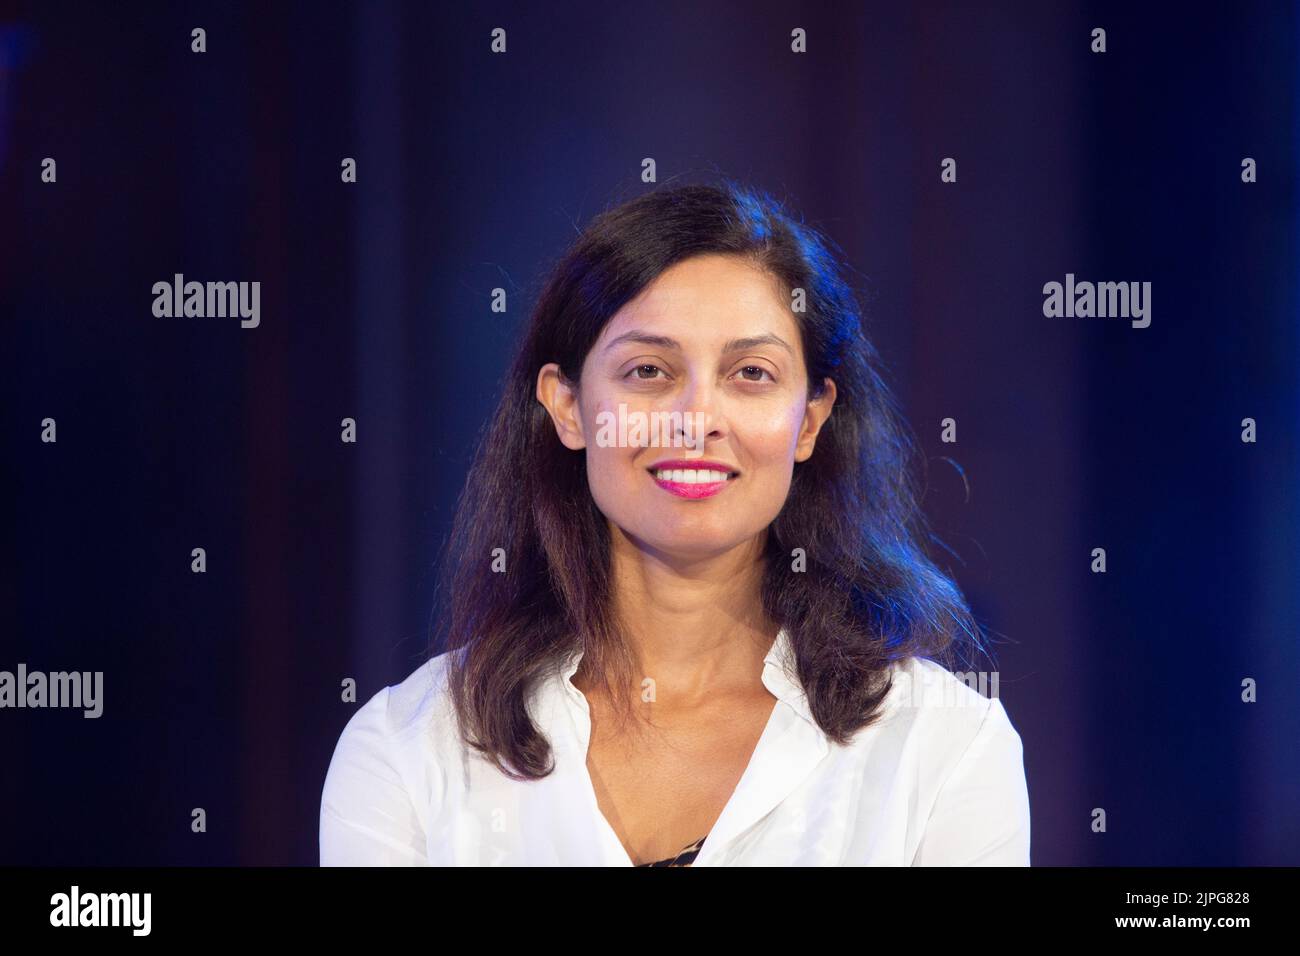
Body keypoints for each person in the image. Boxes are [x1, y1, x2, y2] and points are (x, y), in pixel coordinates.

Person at [319, 181, 1031, 866]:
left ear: (810, 420)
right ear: (567, 407)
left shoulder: (942, 748)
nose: (697, 420)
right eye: (649, 372)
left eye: (751, 373)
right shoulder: (410, 750)